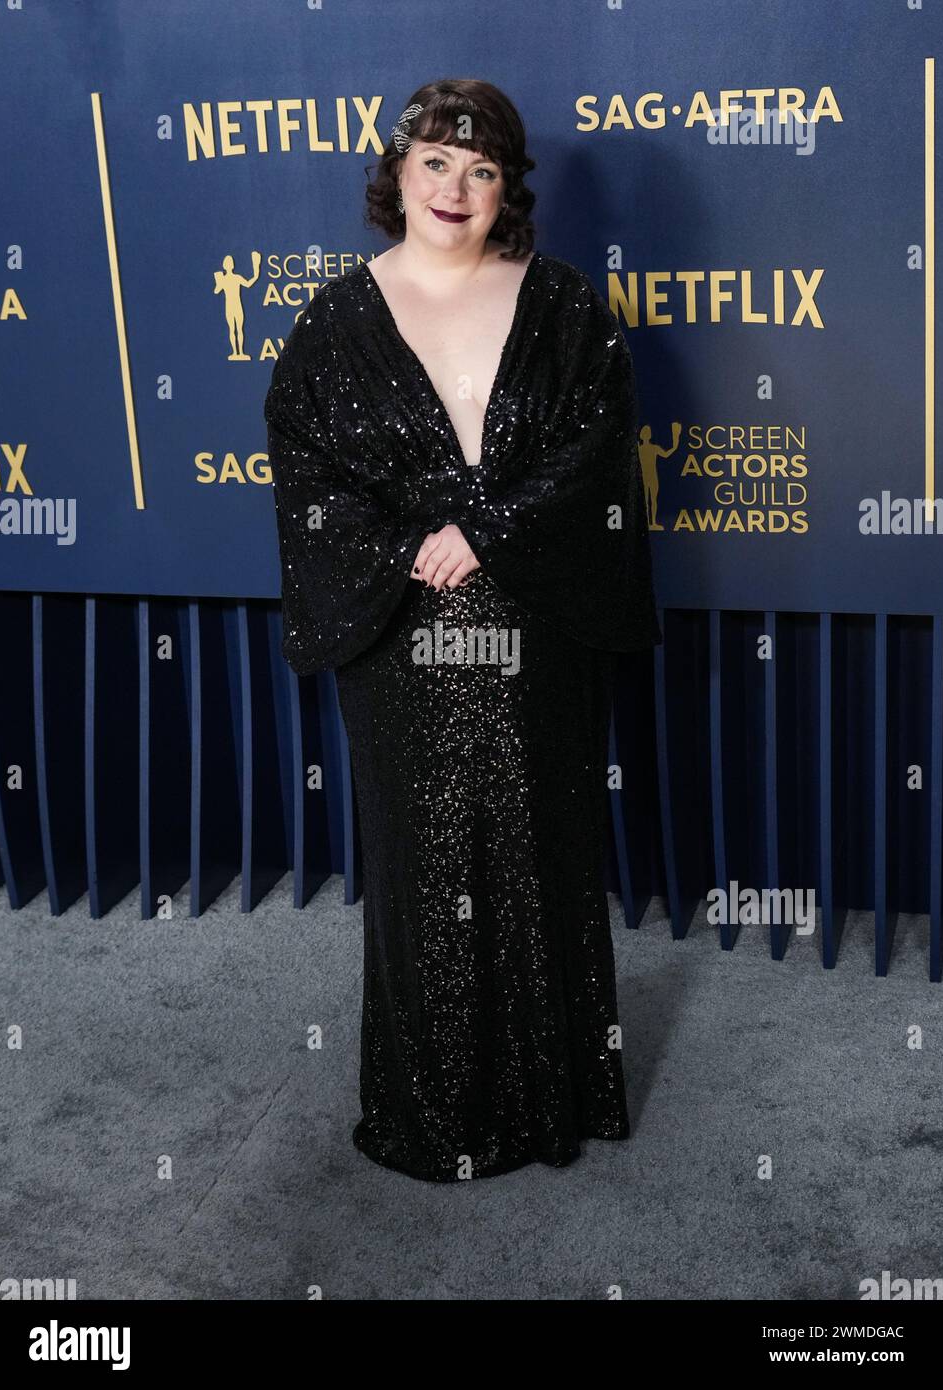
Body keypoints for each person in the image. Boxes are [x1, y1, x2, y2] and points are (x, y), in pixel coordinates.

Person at [264, 78, 662, 1182]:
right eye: (436, 161)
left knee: (546, 850)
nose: (455, 187)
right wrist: (409, 548)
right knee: (424, 865)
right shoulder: (336, 319)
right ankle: (436, 1113)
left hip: (541, 626)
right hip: (401, 639)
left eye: (482, 169)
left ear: (508, 192)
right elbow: (309, 473)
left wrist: (486, 526)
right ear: (397, 172)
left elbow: (594, 448)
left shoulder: (567, 304)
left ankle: (549, 1104)